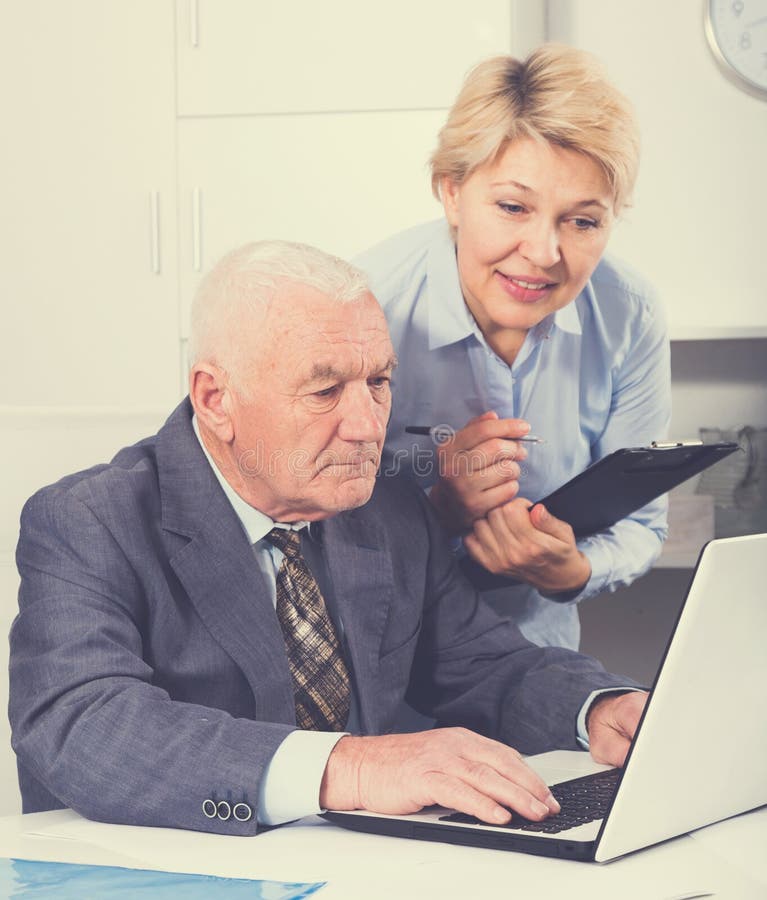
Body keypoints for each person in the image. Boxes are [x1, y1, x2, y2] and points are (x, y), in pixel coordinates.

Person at [9, 240, 646, 836]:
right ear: (216, 399)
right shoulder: (89, 520)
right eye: (325, 390)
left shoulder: (388, 506)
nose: (367, 426)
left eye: (378, 382)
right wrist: (353, 767)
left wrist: (599, 707)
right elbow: (80, 723)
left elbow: (483, 664)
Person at [355, 44, 671, 651]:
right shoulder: (363, 308)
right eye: (512, 207)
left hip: (540, 654)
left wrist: (574, 571)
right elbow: (300, 535)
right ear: (451, 192)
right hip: (387, 655)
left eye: (583, 221)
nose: (544, 253)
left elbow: (641, 523)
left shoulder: (630, 314)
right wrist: (436, 512)